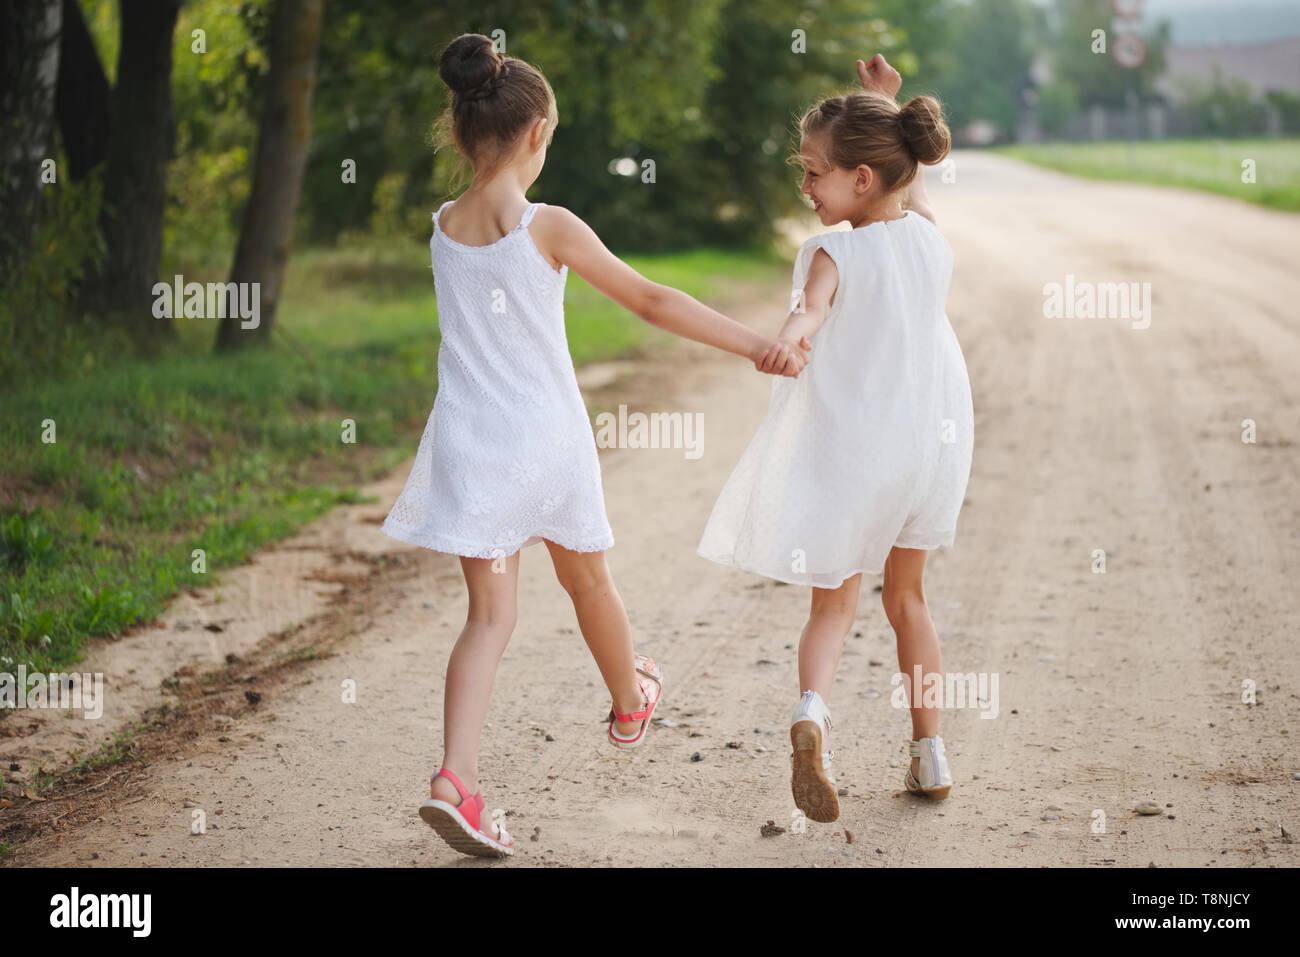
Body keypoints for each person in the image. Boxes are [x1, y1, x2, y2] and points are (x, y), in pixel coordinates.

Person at [383, 33, 808, 857]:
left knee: (488, 616)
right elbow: (650, 299)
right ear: (538, 133)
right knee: (587, 580)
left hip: (472, 446)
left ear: (465, 132)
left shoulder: (443, 226)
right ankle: (629, 700)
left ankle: (454, 780)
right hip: (546, 440)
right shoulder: (547, 223)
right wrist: (757, 344)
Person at [698, 58, 972, 823]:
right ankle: (930, 752)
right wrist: (881, 106)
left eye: (814, 173)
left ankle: (812, 713)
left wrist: (789, 339)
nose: (805, 188)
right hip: (931, 446)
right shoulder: (928, 236)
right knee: (909, 598)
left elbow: (809, 312)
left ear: (859, 177)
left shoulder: (833, 252)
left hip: (861, 448)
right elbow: (905, 186)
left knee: (833, 604)